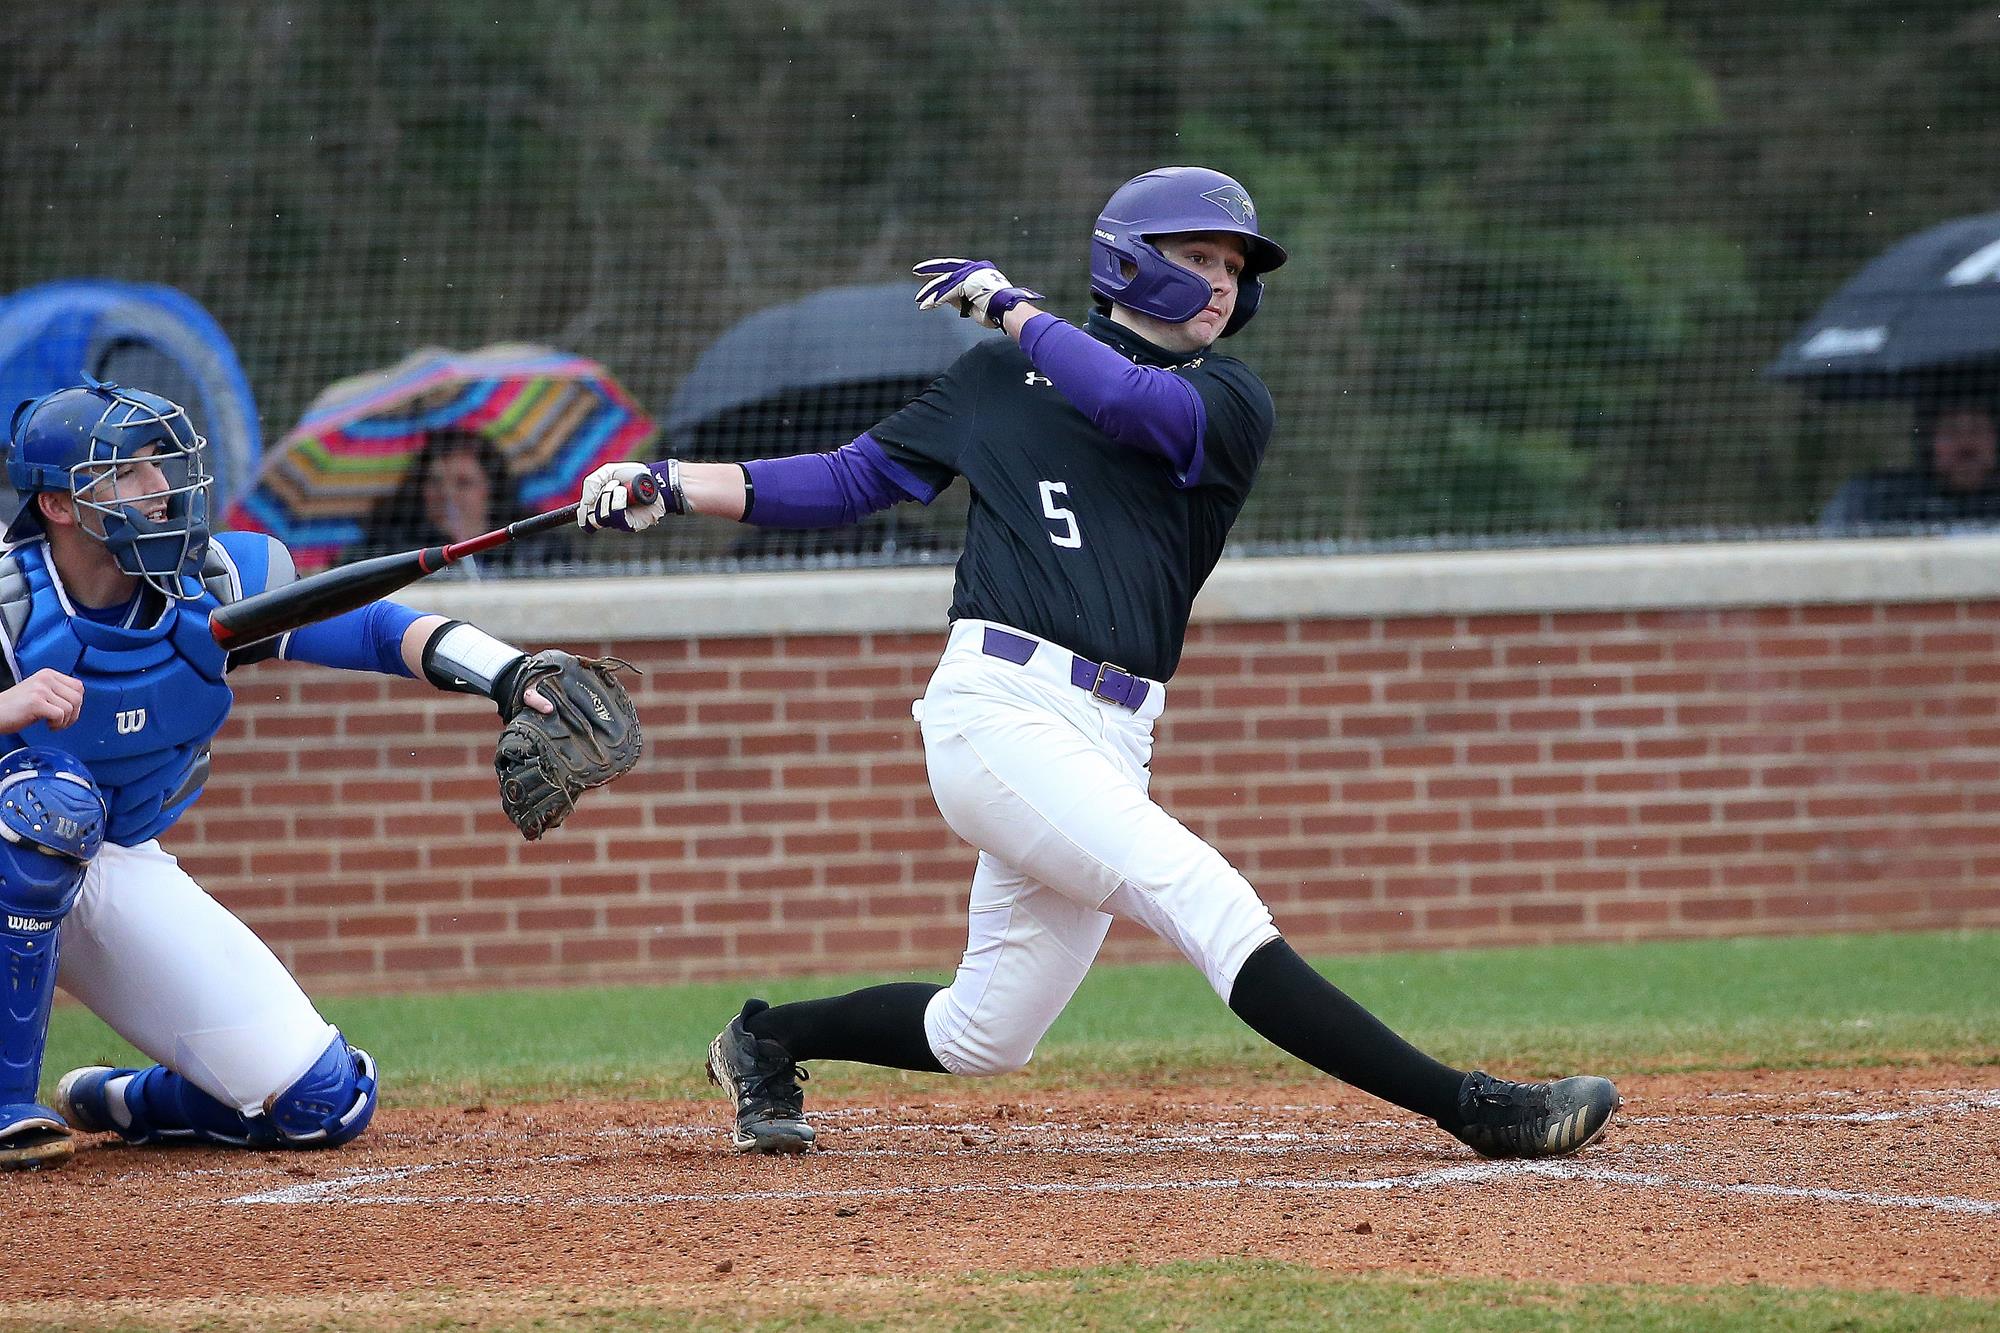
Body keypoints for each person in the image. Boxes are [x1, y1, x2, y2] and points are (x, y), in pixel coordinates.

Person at [576, 166, 1621, 1161]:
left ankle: (765, 1038)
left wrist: (1012, 307)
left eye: (1232, 266)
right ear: (1129, 259)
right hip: (996, 708)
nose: (1221, 281)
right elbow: (852, 478)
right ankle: (1473, 1106)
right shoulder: (994, 376)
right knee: (1204, 898)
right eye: (1199, 255)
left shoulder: (1226, 403)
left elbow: (1131, 406)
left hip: (1115, 731)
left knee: (985, 1033)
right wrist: (670, 483)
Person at [0, 377, 568, 1168]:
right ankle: (6, 1104)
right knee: (43, 807)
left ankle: (119, 1099)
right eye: (129, 471)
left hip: (111, 857)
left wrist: (504, 672)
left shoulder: (211, 580)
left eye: (162, 463)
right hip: (21, 838)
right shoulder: (10, 602)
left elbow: (370, 626)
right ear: (61, 506)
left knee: (320, 1099)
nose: (162, 488)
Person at [356, 426, 534, 573]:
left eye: (463, 483)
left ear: (491, 489)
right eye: (436, 481)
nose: (447, 494)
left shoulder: (530, 548)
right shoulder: (389, 551)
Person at [1819, 396, 2000, 528]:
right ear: (1929, 444)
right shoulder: (1877, 500)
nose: (1966, 443)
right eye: (1951, 431)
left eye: (1978, 429)